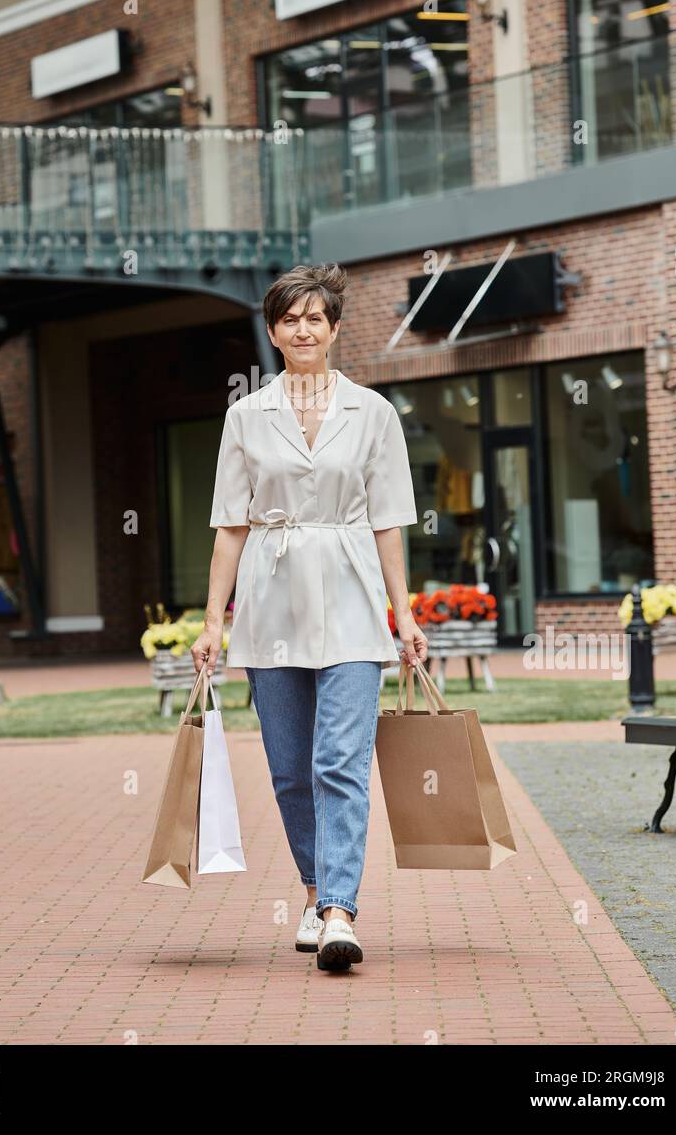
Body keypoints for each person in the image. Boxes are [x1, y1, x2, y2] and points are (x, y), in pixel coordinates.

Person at [190, 262, 428, 972]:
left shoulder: (374, 413)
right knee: (291, 769)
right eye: (289, 318)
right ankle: (313, 886)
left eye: (314, 317)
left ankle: (338, 911)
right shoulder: (245, 415)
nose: (302, 328)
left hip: (353, 602)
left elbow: (388, 523)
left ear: (333, 328)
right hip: (270, 605)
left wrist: (405, 615)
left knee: (340, 762)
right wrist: (212, 622)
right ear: (272, 330)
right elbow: (230, 527)